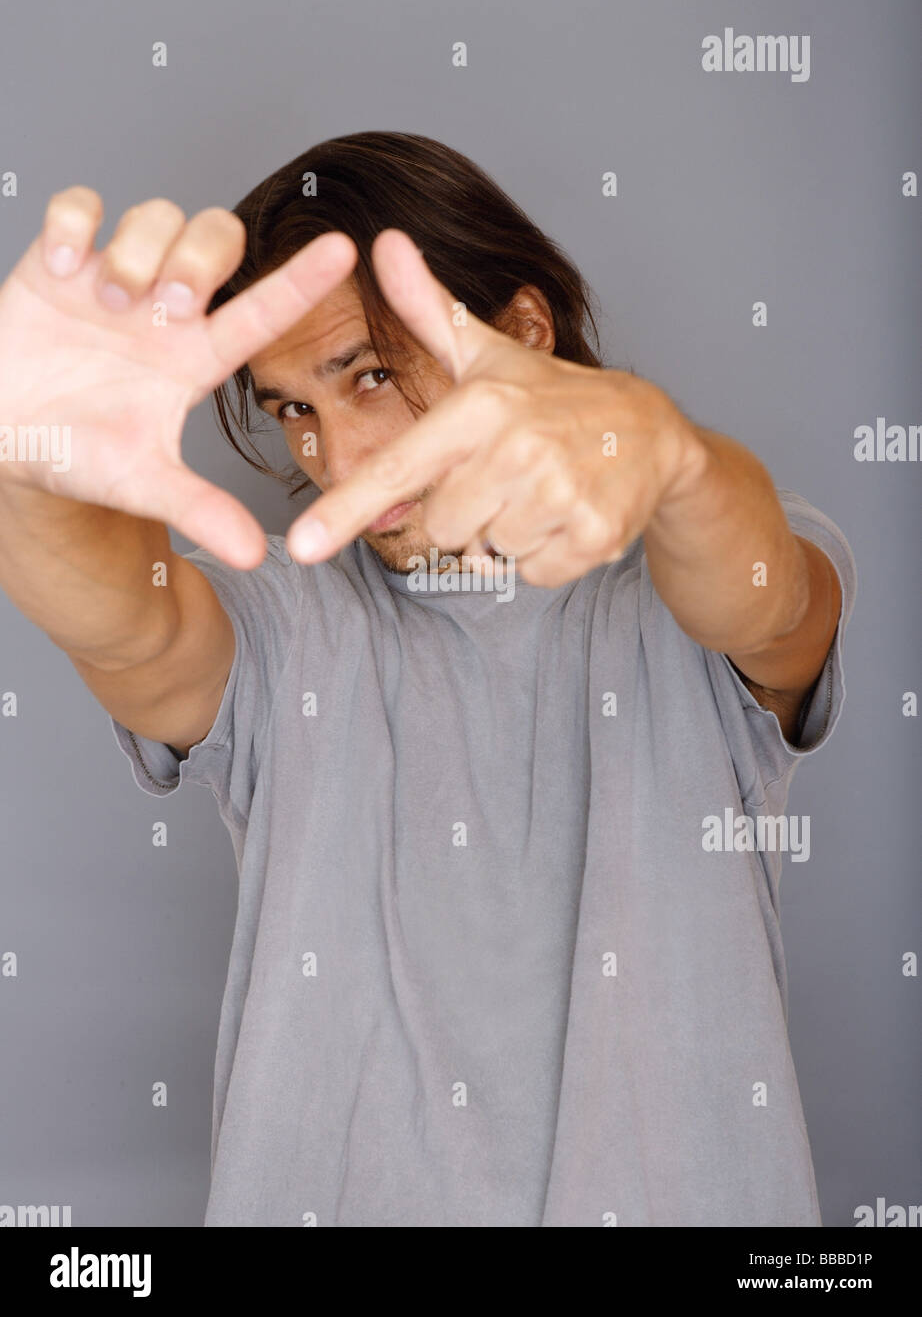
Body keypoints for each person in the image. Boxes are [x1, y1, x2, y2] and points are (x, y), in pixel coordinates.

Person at [0, 131, 856, 1227]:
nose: (337, 459)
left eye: (367, 375)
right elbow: (133, 630)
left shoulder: (684, 600)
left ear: (524, 334)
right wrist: (32, 480)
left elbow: (768, 598)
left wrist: (673, 456)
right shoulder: (285, 629)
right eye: (294, 409)